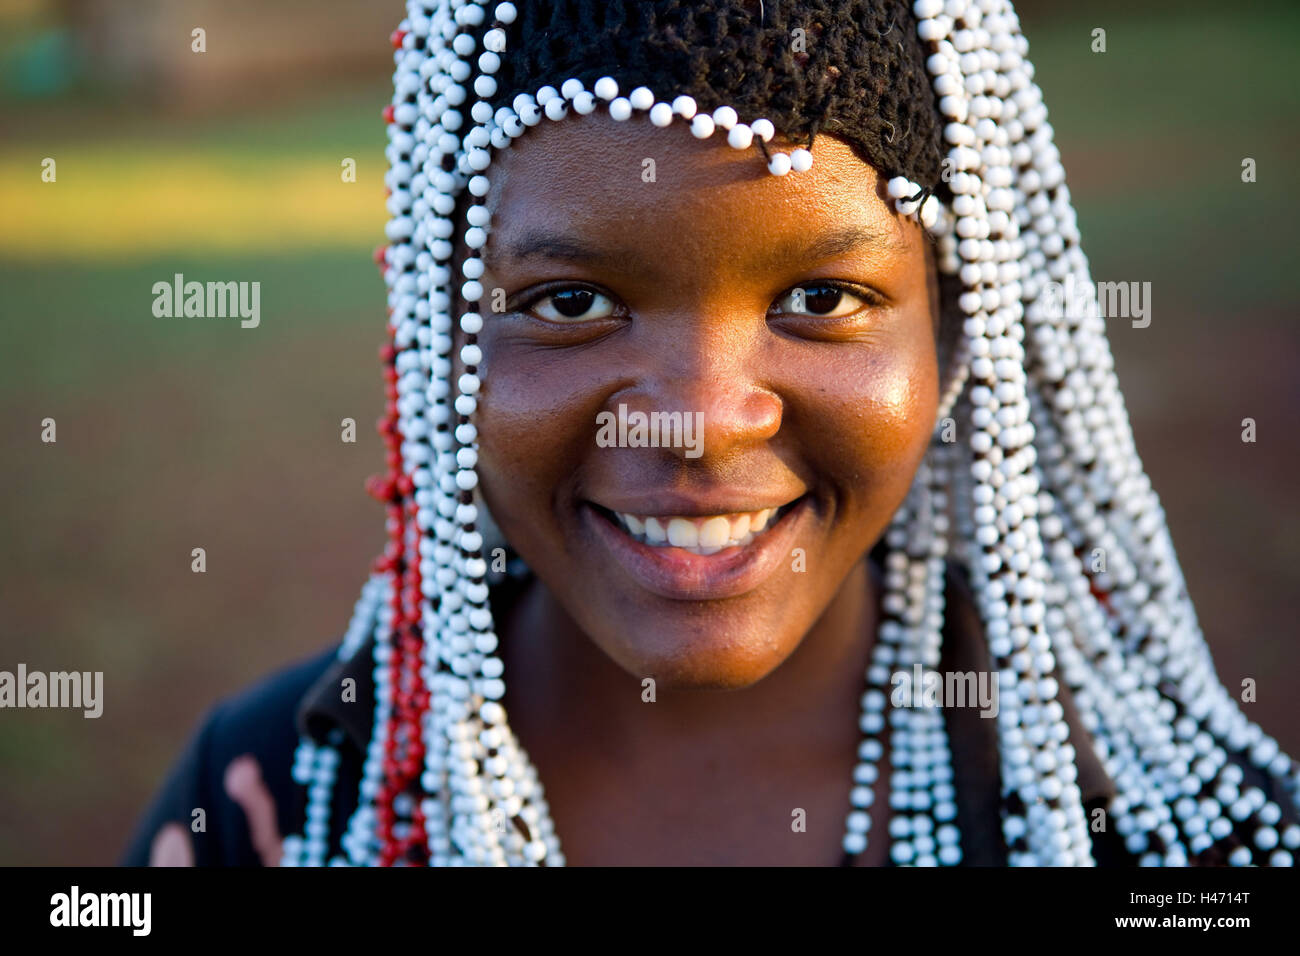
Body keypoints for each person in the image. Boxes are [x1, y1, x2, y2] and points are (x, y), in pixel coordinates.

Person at [121, 0, 1300, 867]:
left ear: (955, 323)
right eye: (570, 302)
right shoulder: (279, 796)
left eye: (820, 299)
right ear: (438, 337)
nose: (697, 419)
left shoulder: (1164, 826)